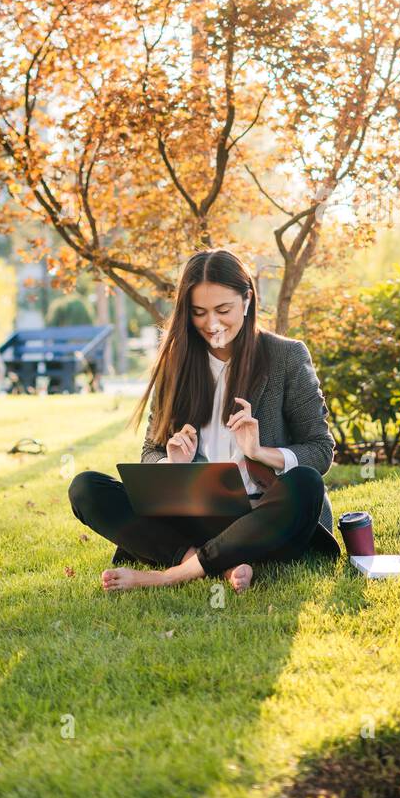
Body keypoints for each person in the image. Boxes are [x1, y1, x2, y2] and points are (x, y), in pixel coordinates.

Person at [68, 248, 340, 594]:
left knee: (305, 484)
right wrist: (171, 463)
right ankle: (204, 559)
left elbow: (320, 450)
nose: (212, 324)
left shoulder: (286, 356)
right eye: (199, 313)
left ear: (247, 300)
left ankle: (172, 574)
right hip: (195, 516)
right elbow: (149, 453)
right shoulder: (176, 365)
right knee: (86, 488)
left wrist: (261, 451)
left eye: (223, 310)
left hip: (265, 515)